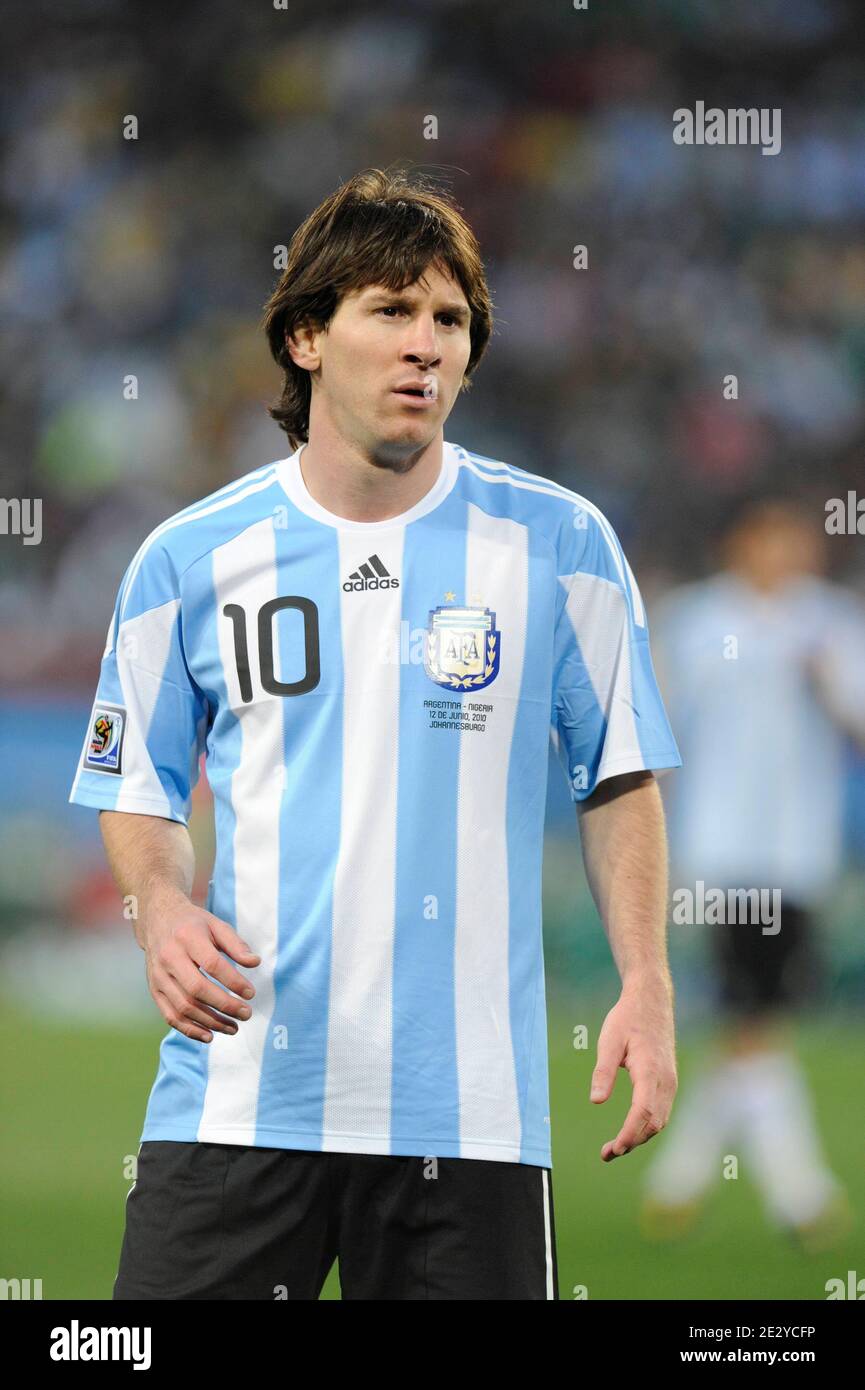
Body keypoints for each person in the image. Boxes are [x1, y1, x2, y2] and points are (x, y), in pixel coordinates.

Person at [69, 167, 682, 1300]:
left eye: (450, 320)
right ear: (306, 336)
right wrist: (159, 908)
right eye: (391, 311)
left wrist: (645, 977)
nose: (426, 346)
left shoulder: (559, 543)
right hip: (238, 1098)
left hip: (471, 1120)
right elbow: (139, 784)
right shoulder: (186, 559)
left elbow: (618, 778)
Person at [640, 493, 865, 1253]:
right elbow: (657, 723)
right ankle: (802, 1195)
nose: (786, 553)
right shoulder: (699, 621)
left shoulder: (831, 622)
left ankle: (678, 1183)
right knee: (754, 1019)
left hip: (798, 849)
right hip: (721, 848)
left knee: (750, 1023)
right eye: (770, 539)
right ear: (738, 545)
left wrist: (827, 681)